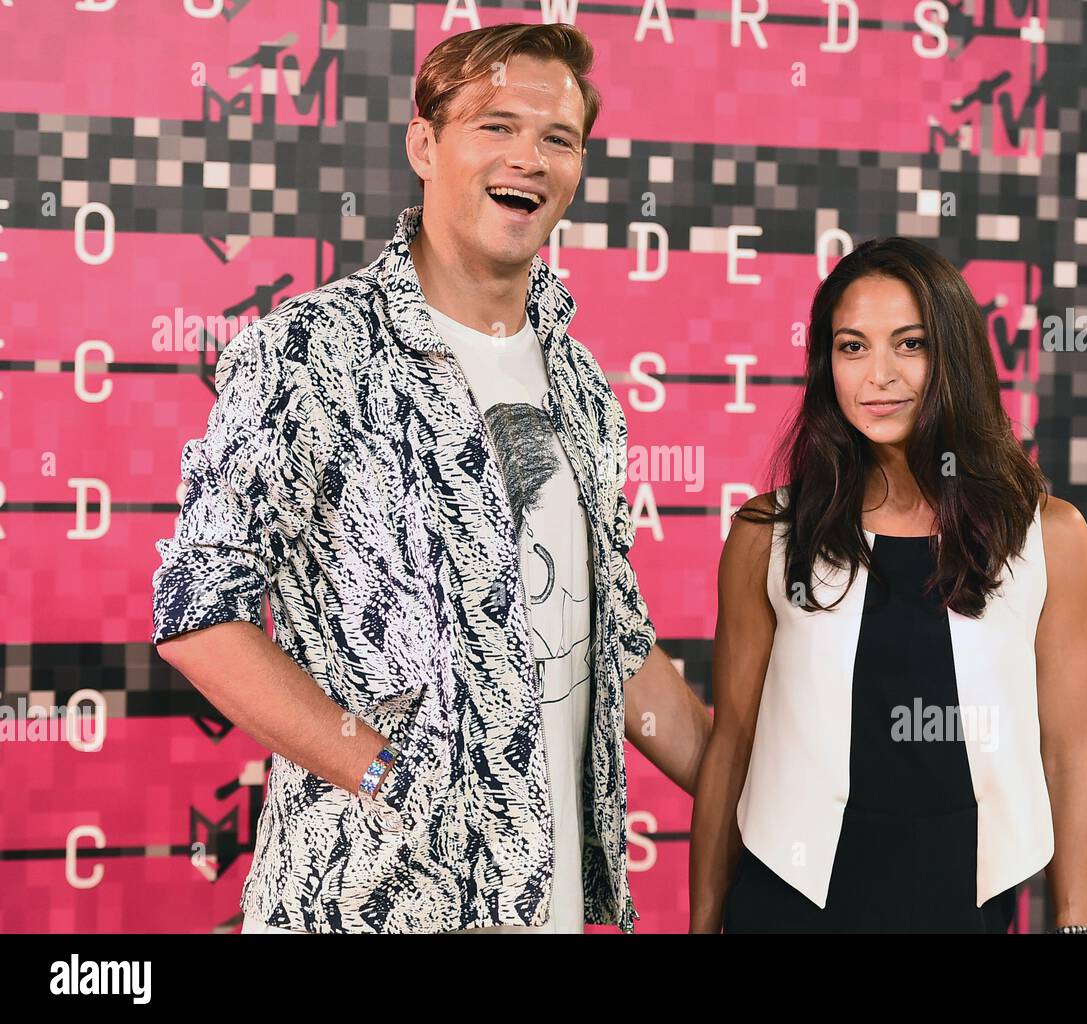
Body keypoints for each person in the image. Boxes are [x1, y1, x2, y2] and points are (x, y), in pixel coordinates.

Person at [152, 23, 711, 935]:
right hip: (369, 905)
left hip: (551, 903)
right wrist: (387, 777)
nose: (529, 155)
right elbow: (200, 620)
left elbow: (610, 638)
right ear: (424, 143)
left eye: (558, 137)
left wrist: (773, 803)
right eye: (496, 125)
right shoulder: (308, 351)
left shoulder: (583, 385)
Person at [688, 237, 1087, 933]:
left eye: (908, 344)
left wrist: (1076, 925)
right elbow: (733, 743)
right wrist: (703, 926)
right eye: (852, 347)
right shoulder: (768, 532)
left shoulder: (1051, 536)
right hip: (788, 904)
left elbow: (1066, 757)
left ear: (955, 356)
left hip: (964, 907)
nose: (877, 375)